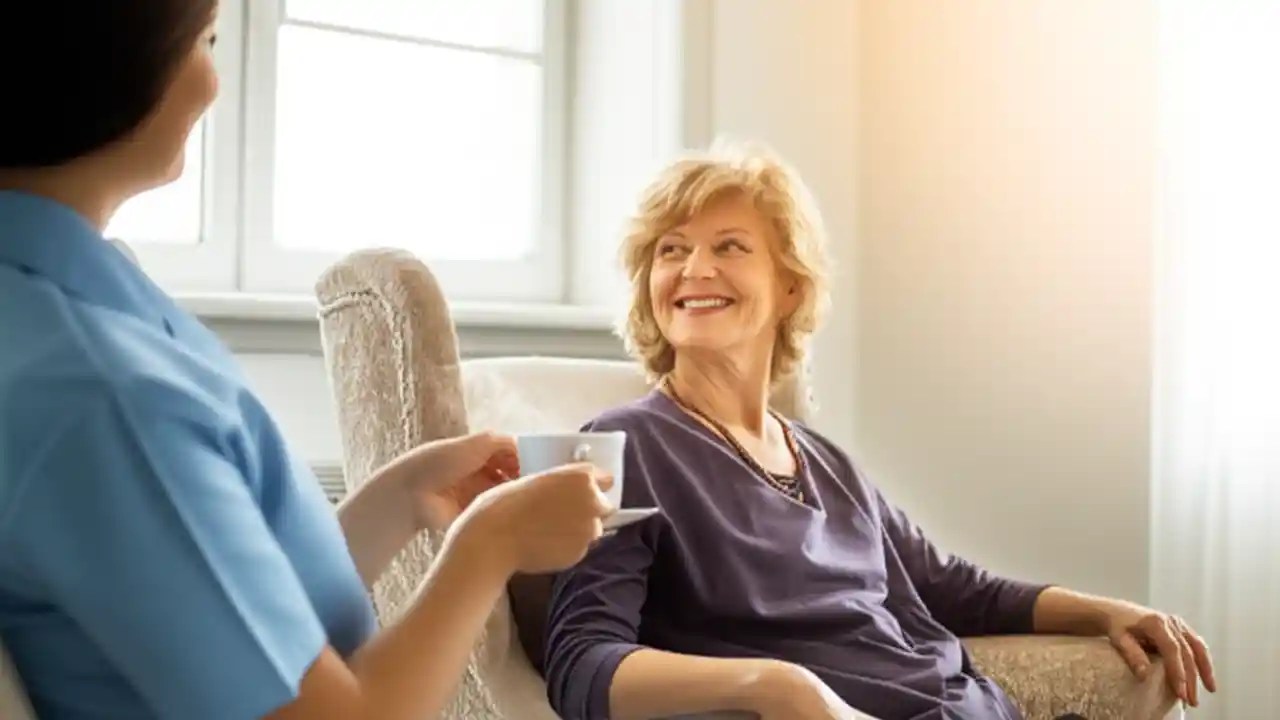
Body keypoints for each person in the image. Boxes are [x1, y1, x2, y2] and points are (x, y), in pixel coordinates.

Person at [0, 4, 613, 719]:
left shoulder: (75, 304)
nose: (214, 83)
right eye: (206, 43)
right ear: (111, 65)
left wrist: (404, 499)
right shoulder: (107, 395)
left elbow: (234, 614)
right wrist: (491, 545)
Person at [542, 143, 1218, 720]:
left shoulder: (821, 459)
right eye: (671, 251)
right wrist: (775, 684)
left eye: (730, 247)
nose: (694, 270)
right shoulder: (625, 447)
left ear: (789, 290)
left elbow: (951, 587)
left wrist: (1105, 611)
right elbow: (581, 663)